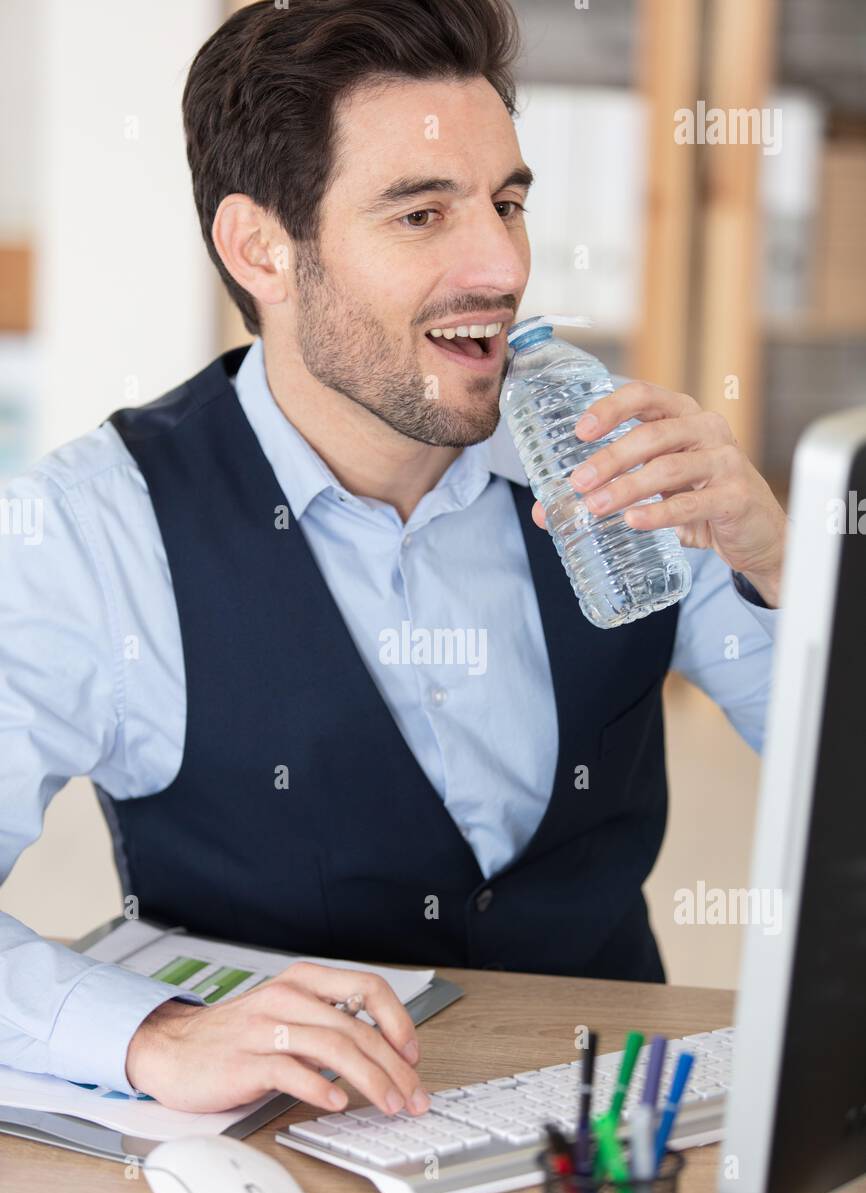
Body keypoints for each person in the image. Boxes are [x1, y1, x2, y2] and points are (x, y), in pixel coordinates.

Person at [0, 0, 786, 1121]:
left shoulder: (605, 455)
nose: (499, 263)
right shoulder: (92, 534)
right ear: (260, 248)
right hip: (279, 1160)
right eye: (422, 214)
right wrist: (151, 1037)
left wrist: (789, 570)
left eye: (506, 203)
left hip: (612, 1143)